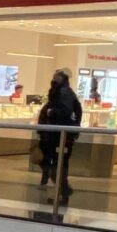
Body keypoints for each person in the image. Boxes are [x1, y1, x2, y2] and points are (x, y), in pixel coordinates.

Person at [38, 68, 82, 202]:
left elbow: (64, 111)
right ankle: (62, 193)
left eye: (54, 78)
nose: (52, 81)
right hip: (58, 135)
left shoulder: (63, 92)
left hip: (60, 136)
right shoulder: (62, 92)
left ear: (59, 79)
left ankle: (64, 191)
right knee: (56, 164)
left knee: (56, 164)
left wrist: (51, 112)